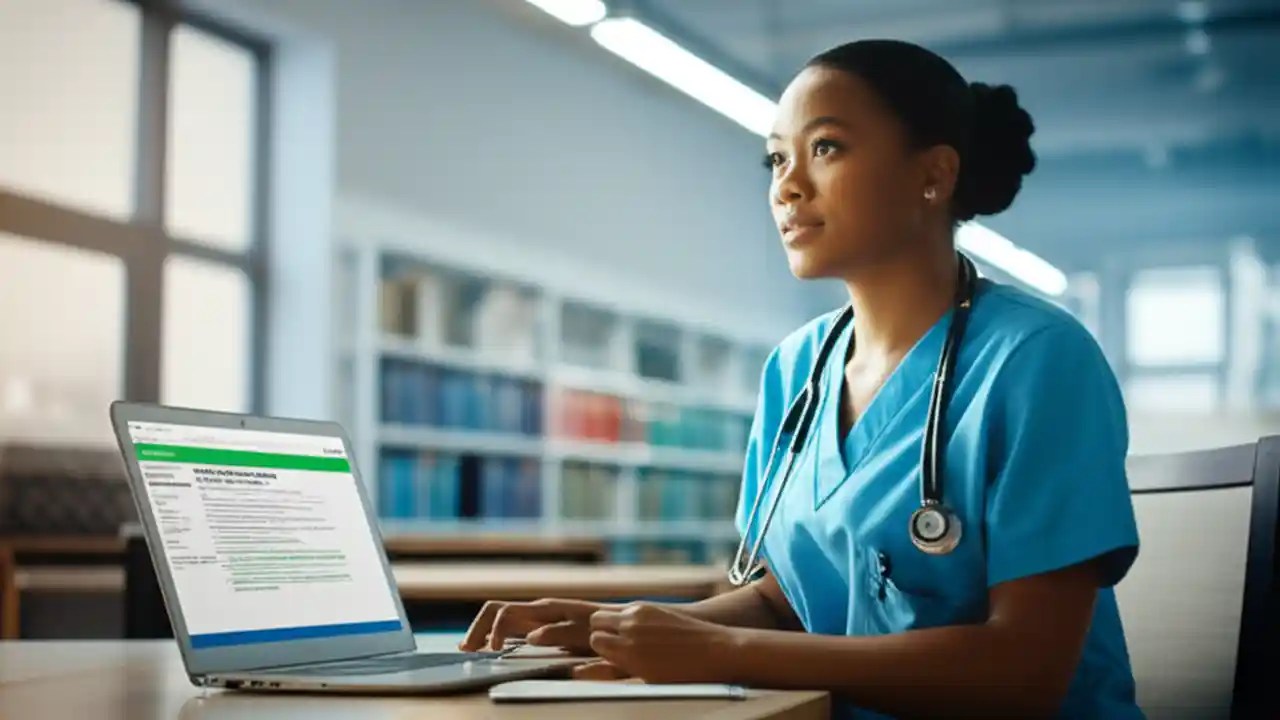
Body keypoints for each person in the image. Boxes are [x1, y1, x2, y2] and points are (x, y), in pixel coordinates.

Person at [459, 38, 1142, 719]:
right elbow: (783, 602)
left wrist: (723, 650)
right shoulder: (798, 368)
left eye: (826, 148)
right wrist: (617, 628)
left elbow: (1023, 672)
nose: (786, 185)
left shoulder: (1038, 360)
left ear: (933, 174)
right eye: (776, 158)